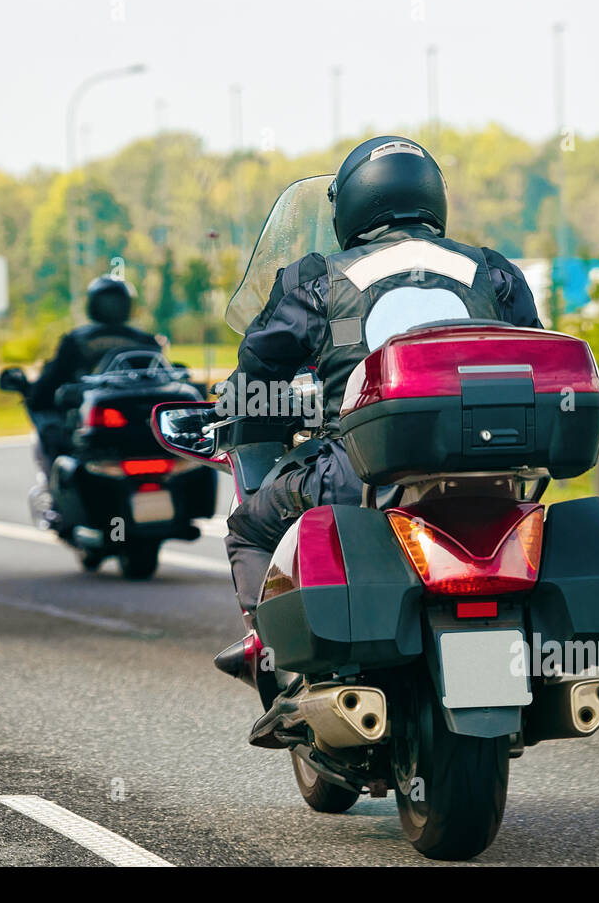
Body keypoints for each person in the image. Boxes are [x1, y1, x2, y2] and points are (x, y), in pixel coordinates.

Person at [222, 135, 541, 626]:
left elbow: (258, 371)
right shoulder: (493, 272)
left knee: (248, 527)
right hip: (490, 473)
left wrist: (245, 409)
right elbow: (532, 355)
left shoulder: (318, 278)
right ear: (434, 196)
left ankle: (273, 656)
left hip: (361, 474)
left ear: (350, 203)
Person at [27, 274, 161, 455]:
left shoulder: (75, 340)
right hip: (141, 426)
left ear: (91, 305)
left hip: (90, 428)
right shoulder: (146, 341)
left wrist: (34, 395)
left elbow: (51, 379)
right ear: (130, 305)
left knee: (53, 441)